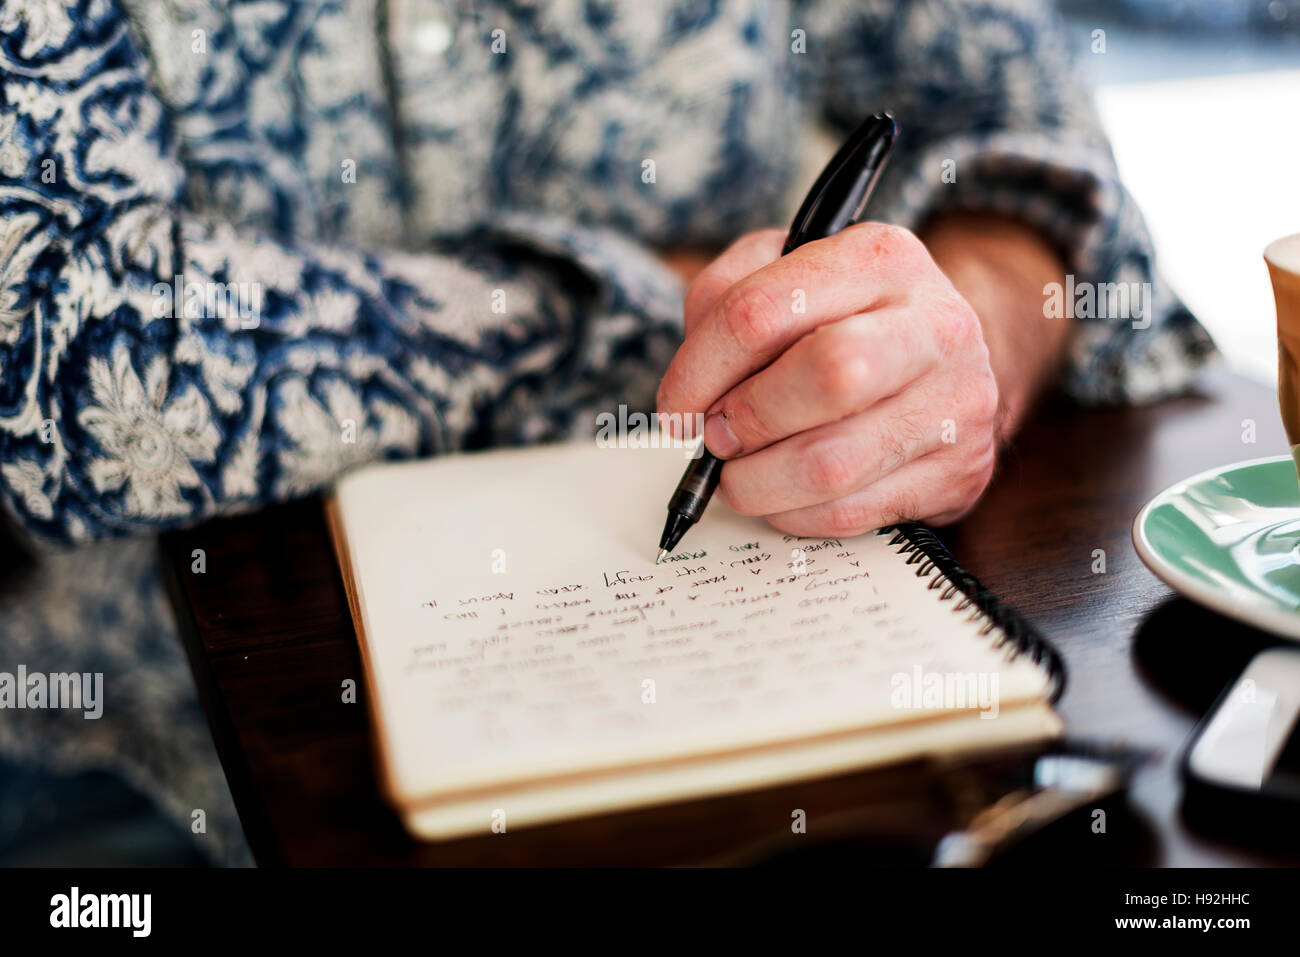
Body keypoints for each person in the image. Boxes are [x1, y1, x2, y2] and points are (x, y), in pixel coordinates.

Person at [0, 0, 1214, 864]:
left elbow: (1046, 156)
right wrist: (643, 303)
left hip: (779, 728)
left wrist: (967, 341)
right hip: (135, 752)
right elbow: (55, 351)